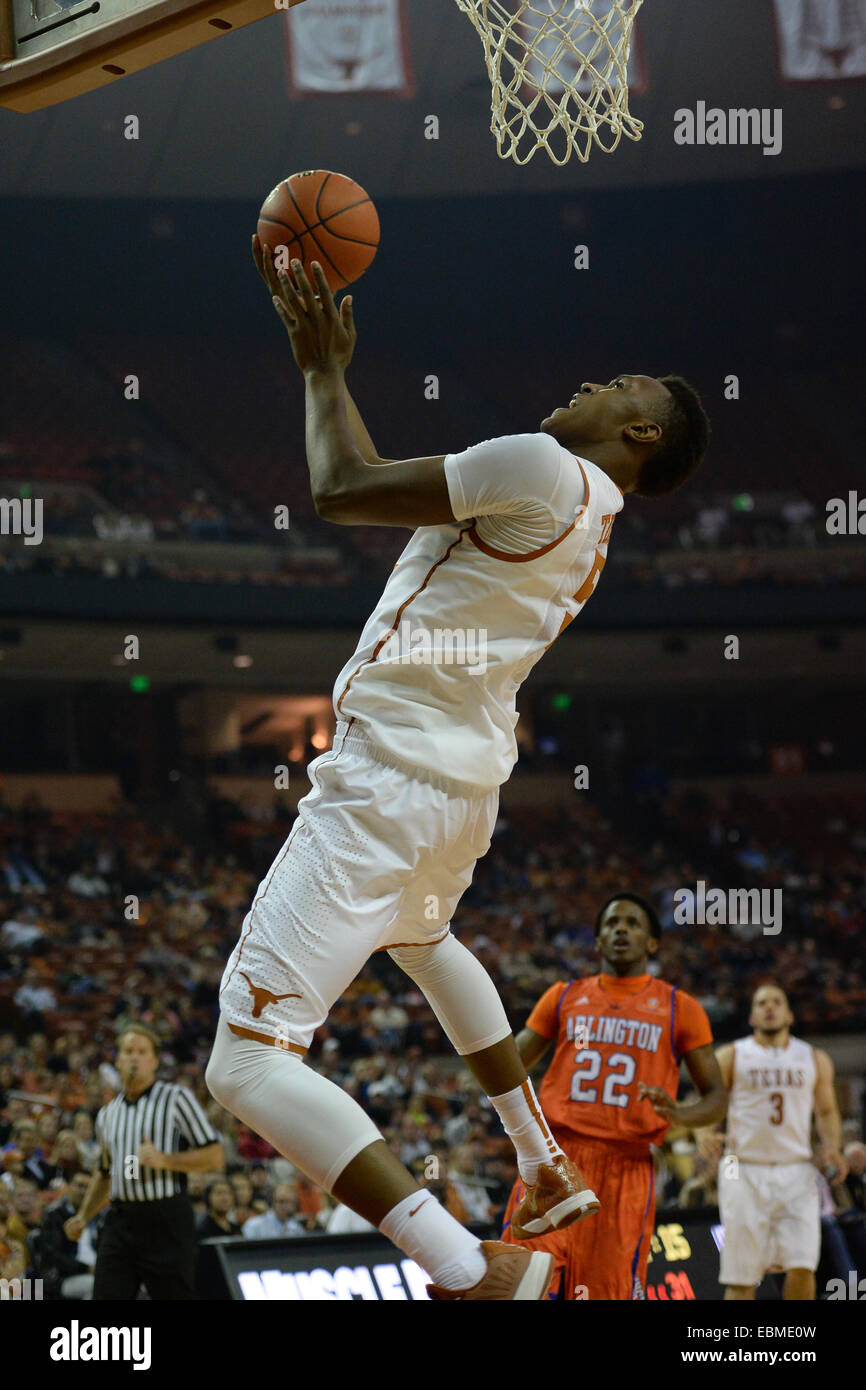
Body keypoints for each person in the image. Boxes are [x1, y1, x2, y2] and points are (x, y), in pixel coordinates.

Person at [206, 248, 711, 1302]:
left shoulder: (538, 463)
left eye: (618, 385)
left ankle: (467, 1263)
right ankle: (539, 1156)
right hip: (460, 790)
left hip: (387, 780)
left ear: (642, 432)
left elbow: (340, 489)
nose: (591, 383)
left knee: (245, 1064)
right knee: (423, 940)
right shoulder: (593, 522)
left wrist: (318, 369)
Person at [500, 893, 727, 1299]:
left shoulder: (681, 1008)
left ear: (652, 944)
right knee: (521, 1281)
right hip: (557, 1156)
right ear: (598, 941)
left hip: (627, 1165)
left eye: (633, 923)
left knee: (604, 1293)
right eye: (611, 923)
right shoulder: (563, 996)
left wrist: (679, 1115)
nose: (621, 929)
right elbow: (510, 1062)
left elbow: (716, 1098)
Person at [697, 983, 847, 1301]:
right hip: (742, 1166)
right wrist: (705, 1135)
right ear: (752, 1016)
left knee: (803, 1265)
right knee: (742, 1274)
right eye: (761, 1002)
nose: (769, 1007)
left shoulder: (813, 1057)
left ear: (789, 1014)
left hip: (797, 1167)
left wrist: (832, 1146)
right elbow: (707, 1101)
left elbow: (827, 1110)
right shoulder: (732, 1054)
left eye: (776, 1002)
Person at [64, 1023, 224, 1300]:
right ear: (117, 1060)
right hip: (120, 1220)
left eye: (141, 1051)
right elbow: (104, 1173)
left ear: (154, 1060)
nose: (134, 1057)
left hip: (166, 1219)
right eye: (128, 1051)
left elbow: (214, 1156)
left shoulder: (176, 1099)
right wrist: (83, 1215)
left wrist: (165, 1160)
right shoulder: (107, 1113)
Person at [36, 1171, 98, 1300]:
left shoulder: (98, 1215)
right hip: (62, 1277)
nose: (83, 1191)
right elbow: (54, 1255)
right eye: (80, 1186)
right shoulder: (54, 1215)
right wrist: (86, 1268)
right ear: (69, 1187)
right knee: (98, 1286)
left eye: (88, 1187)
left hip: (97, 1272)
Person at [242, 1183, 307, 1239]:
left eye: (290, 1202)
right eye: (281, 1201)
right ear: (272, 1202)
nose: (285, 1206)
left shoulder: (296, 1228)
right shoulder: (253, 1225)